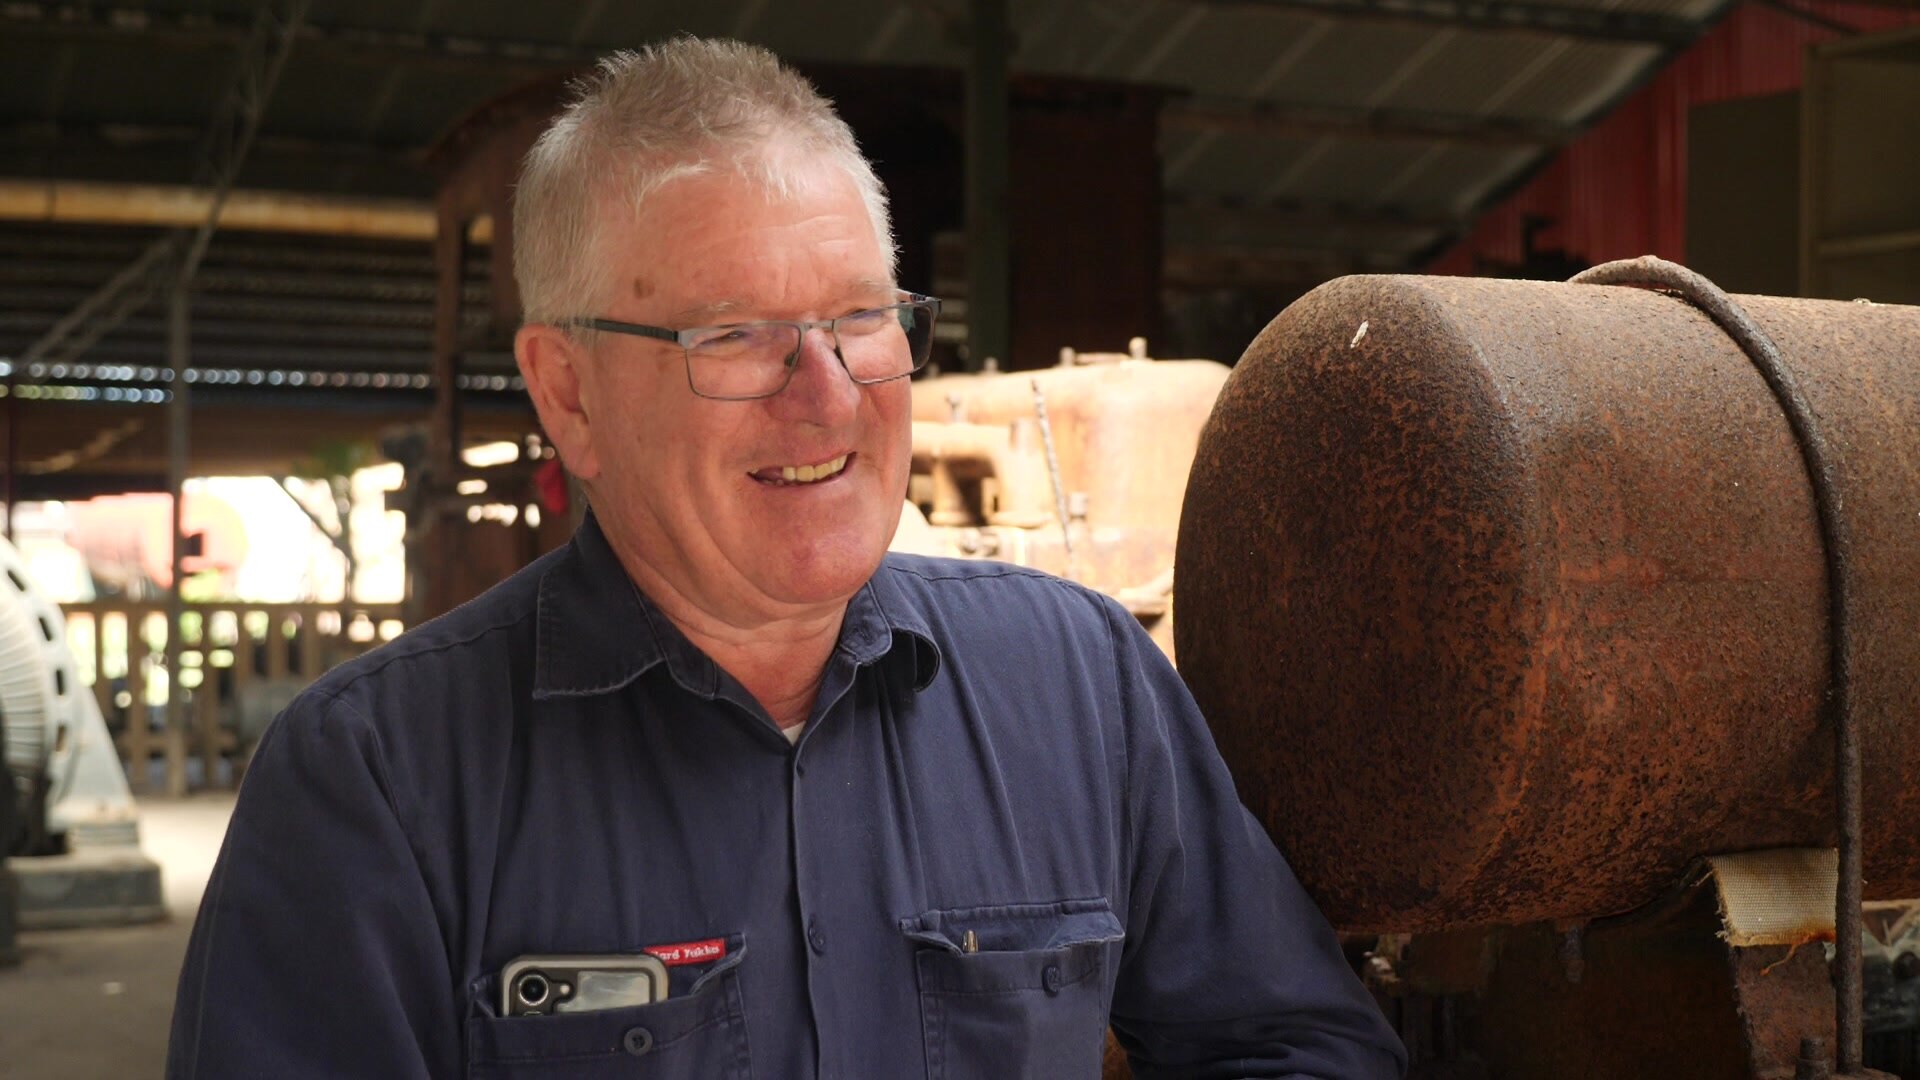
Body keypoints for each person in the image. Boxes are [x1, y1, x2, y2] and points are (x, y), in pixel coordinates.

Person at [167, 38, 1406, 1079]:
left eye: (861, 318)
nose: (825, 399)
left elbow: (1299, 1044)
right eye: (735, 335)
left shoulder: (1077, 683)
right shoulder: (372, 784)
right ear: (570, 393)